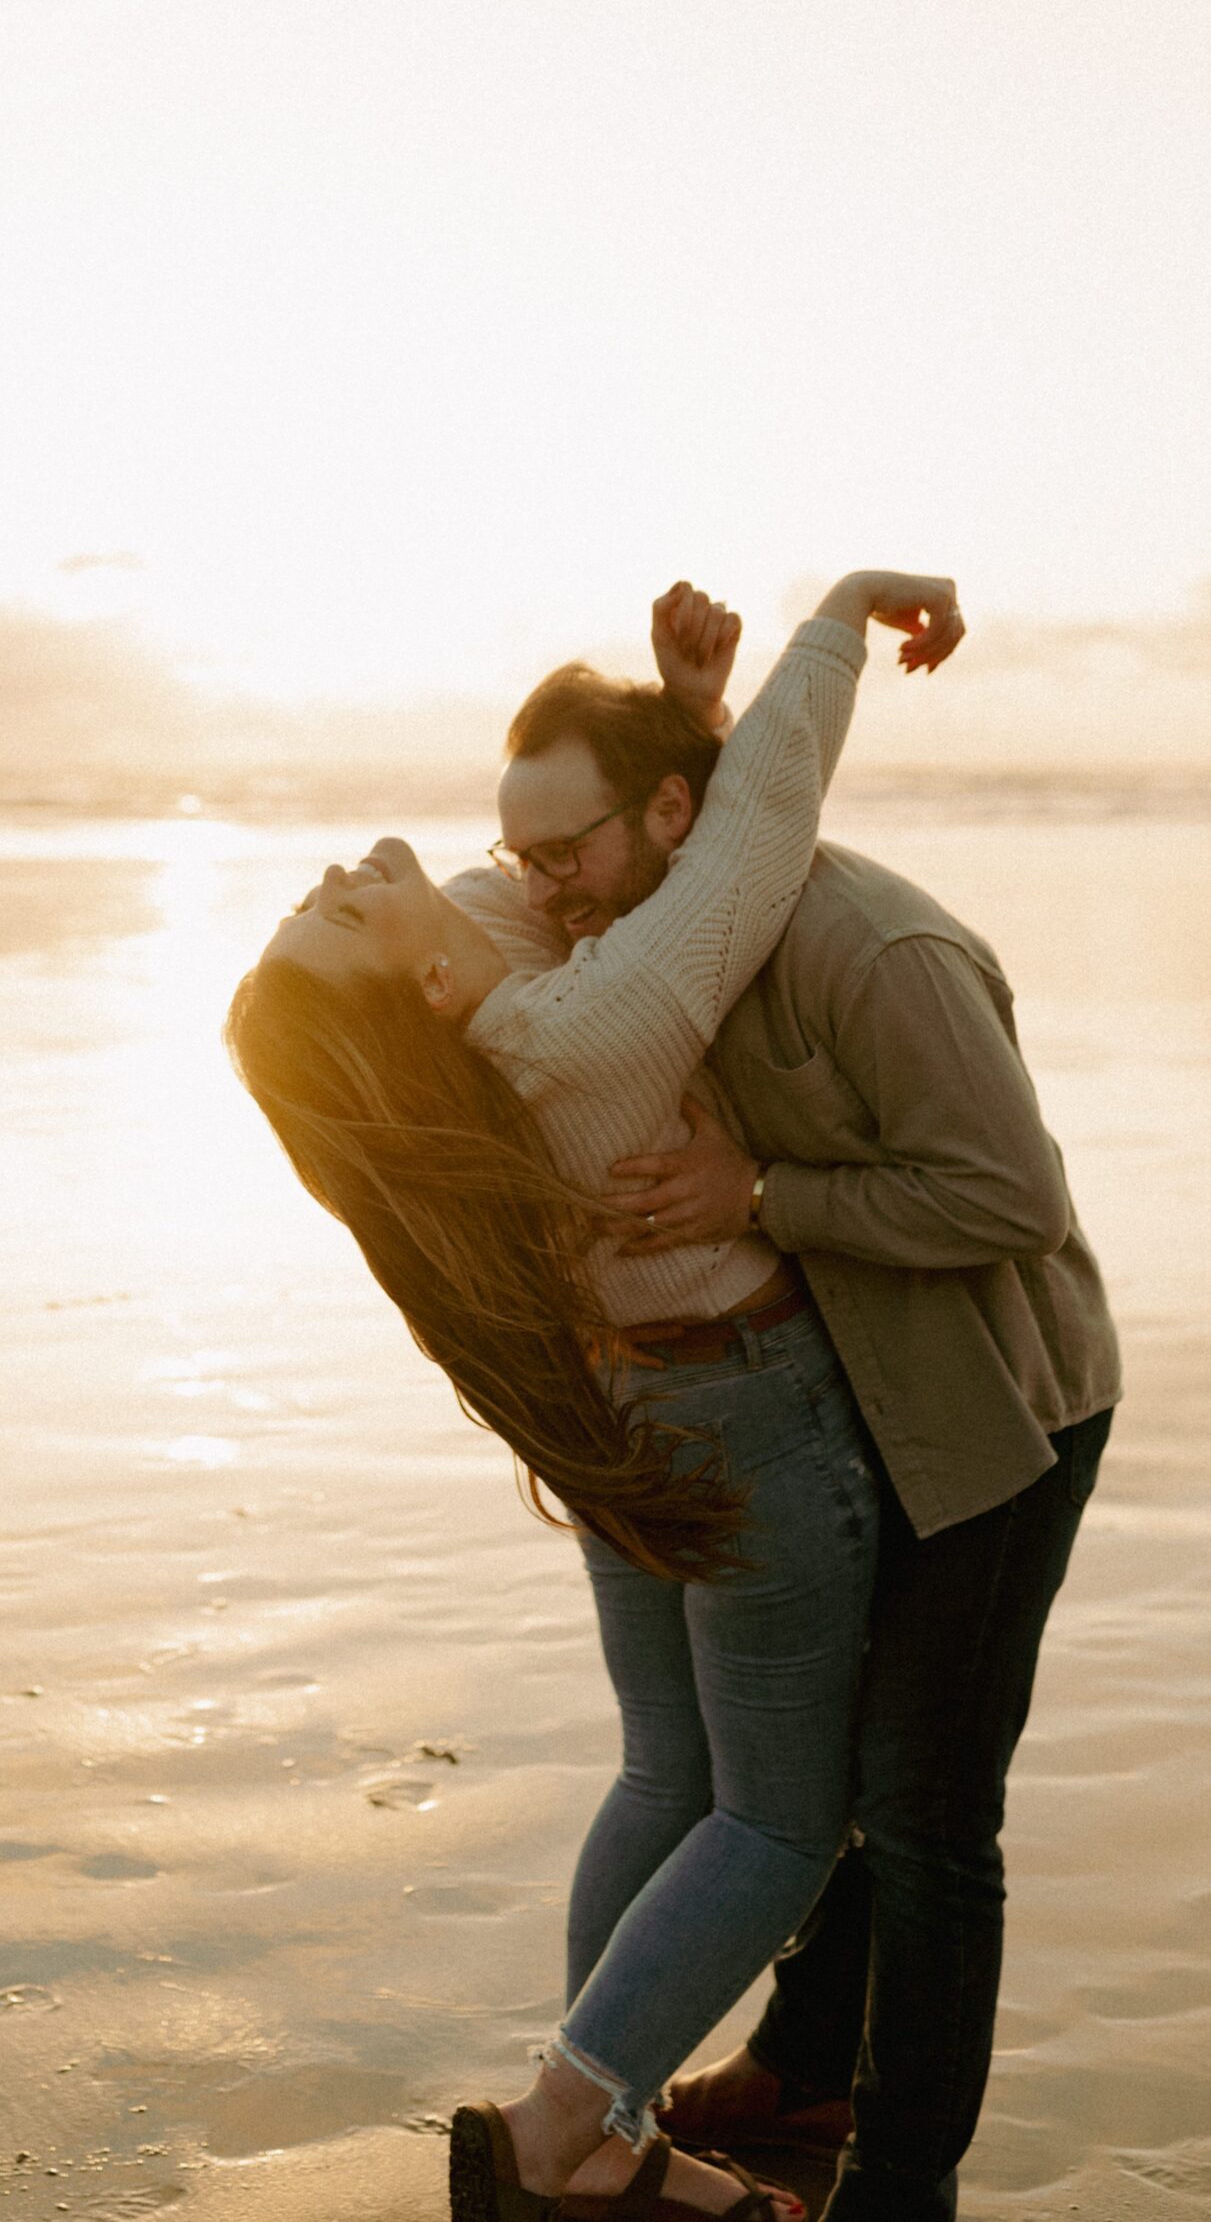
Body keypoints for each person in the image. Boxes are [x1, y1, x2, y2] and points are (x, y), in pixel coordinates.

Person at [226, 570, 965, 2222]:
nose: (342, 878)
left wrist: (677, 727)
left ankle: (609, 2138)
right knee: (781, 1820)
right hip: (747, 1408)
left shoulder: (478, 1009)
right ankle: (569, 2126)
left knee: (665, 1777)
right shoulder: (591, 1032)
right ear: (414, 995)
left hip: (624, 1407)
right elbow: (755, 838)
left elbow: (578, 871)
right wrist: (841, 614)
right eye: (332, 920)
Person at [456, 604, 1120, 2222]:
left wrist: (761, 1192)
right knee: (834, 1767)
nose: (538, 892)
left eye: (564, 853)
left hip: (994, 1412)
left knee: (924, 1810)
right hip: (843, 1390)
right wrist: (696, 721)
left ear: (667, 819)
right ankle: (802, 2065)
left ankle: (899, 2183)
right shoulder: (658, 938)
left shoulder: (874, 951)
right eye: (516, 856)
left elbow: (1013, 1198)